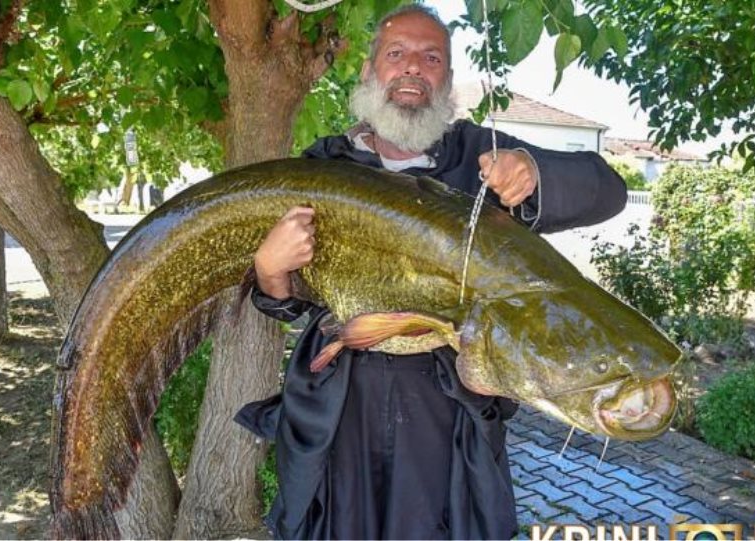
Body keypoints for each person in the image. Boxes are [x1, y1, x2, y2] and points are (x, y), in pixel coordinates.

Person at [235, 5, 627, 540]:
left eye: (431, 58)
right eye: (396, 54)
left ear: (447, 78)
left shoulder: (481, 156)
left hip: (449, 415)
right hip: (339, 408)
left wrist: (535, 174)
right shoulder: (323, 167)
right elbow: (290, 303)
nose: (413, 67)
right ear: (370, 71)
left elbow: (608, 190)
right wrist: (269, 270)